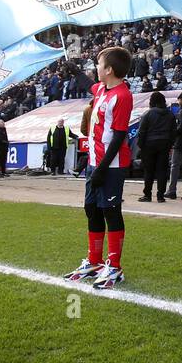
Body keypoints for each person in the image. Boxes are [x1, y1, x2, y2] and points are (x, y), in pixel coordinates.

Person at [63, 46, 133, 291]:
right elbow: (87, 83)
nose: (96, 68)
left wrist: (103, 167)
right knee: (91, 208)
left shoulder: (122, 96)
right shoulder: (102, 90)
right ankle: (94, 262)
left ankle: (114, 266)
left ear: (109, 69)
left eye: (99, 64)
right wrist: (74, 71)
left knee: (110, 211)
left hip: (110, 165)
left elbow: (119, 136)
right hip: (94, 163)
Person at [137, 91, 174, 202]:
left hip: (149, 145)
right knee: (162, 171)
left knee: (149, 171)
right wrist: (170, 144)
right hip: (164, 144)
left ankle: (147, 195)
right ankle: (160, 196)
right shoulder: (170, 114)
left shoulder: (148, 114)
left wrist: (140, 145)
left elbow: (142, 131)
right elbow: (173, 132)